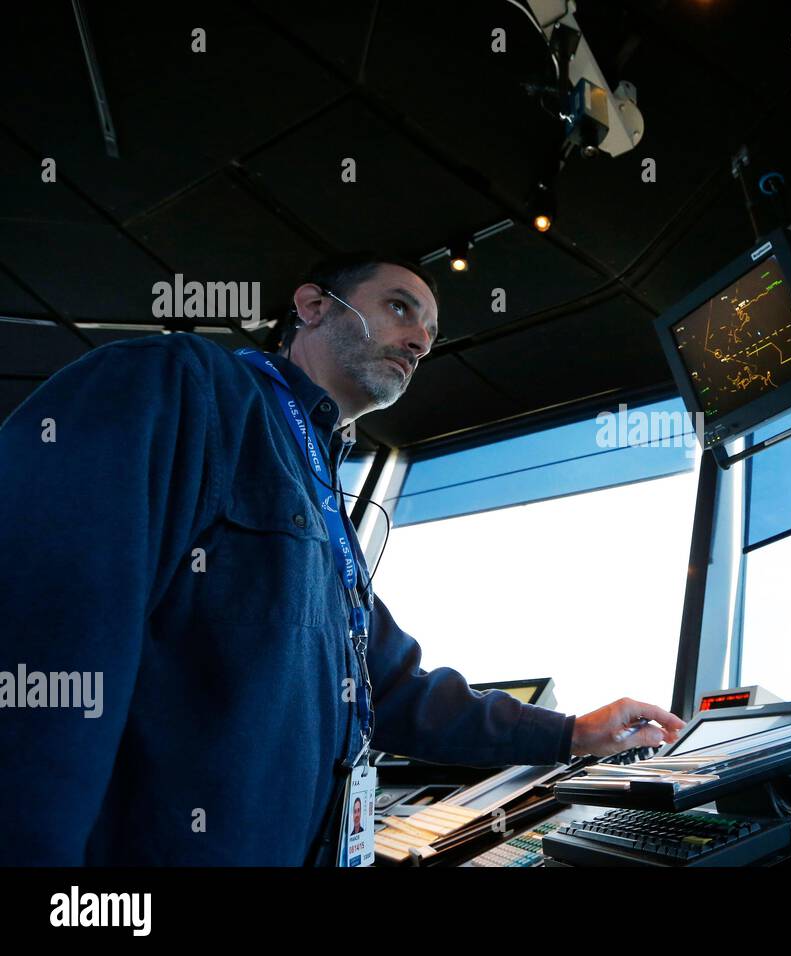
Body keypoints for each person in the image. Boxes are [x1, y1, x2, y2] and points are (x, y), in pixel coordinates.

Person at [0, 251, 684, 865]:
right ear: (313, 306)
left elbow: (394, 692)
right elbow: (44, 641)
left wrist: (572, 732)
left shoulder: (321, 505)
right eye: (399, 308)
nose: (418, 341)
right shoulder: (182, 387)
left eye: (430, 334)